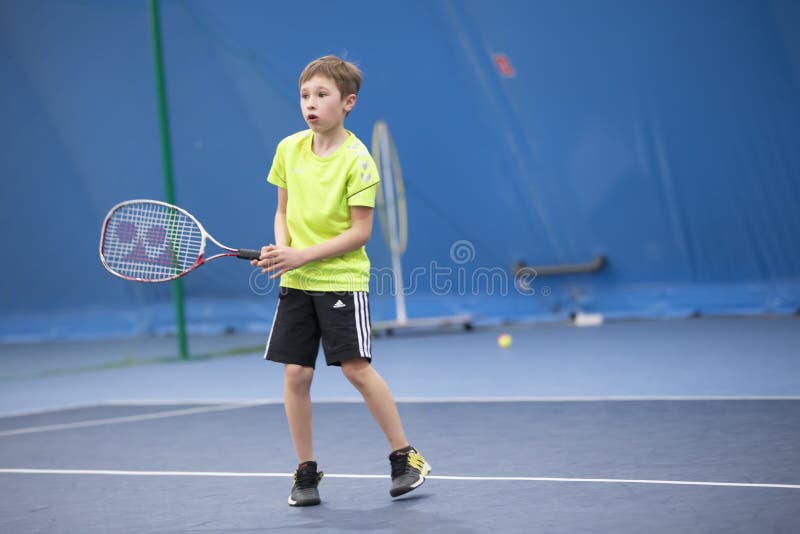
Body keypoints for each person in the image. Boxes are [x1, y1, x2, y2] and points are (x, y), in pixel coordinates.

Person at [252, 55, 430, 507]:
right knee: (295, 373)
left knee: (355, 368)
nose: (310, 104)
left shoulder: (359, 161)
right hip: (297, 280)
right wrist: (280, 250)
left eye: (321, 95)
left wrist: (300, 254)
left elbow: (360, 232)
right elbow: (282, 212)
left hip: (341, 280)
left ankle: (404, 456)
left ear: (347, 102)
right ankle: (306, 472)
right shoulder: (288, 150)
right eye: (305, 95)